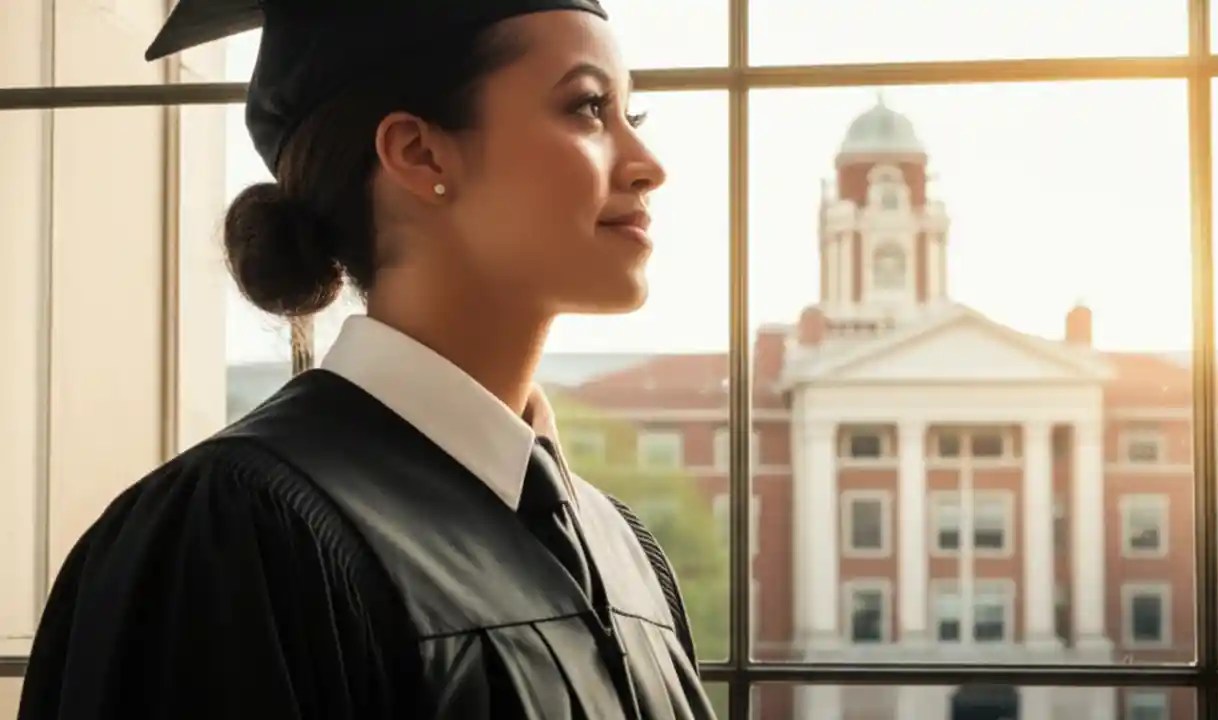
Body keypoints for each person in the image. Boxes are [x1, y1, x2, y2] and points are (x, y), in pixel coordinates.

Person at [18, 1, 717, 718]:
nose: (647, 166)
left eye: (635, 115)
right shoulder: (235, 539)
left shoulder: (621, 549)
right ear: (418, 153)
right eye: (588, 107)